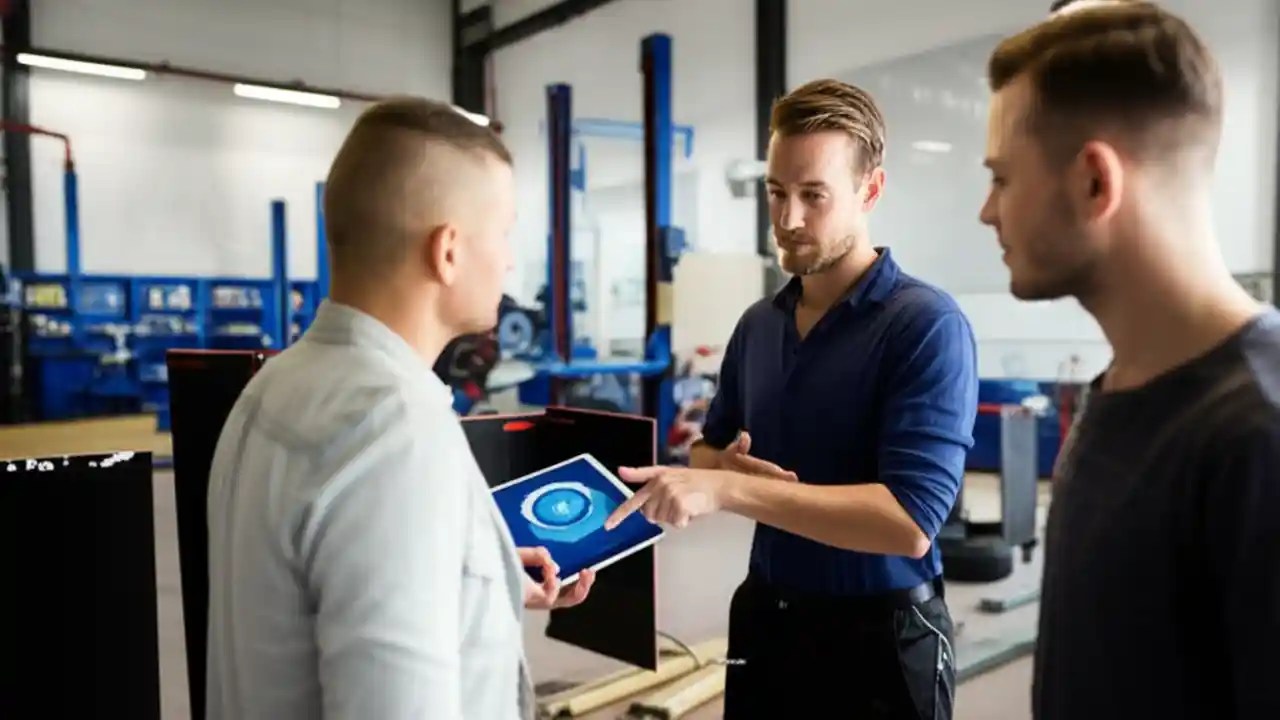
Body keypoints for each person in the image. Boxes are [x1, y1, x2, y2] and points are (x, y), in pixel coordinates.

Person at [204, 97, 595, 720]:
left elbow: (307, 604)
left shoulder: (275, 386)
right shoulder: (395, 435)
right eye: (503, 232)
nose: (511, 260)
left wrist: (484, 583)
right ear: (448, 251)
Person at [607, 79, 979, 719]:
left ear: (871, 190)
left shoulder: (924, 325)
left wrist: (731, 491)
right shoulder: (759, 324)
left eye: (814, 196)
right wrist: (720, 469)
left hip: (880, 638)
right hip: (767, 618)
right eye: (777, 193)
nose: (788, 219)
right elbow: (708, 449)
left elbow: (909, 524)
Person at [980, 3, 1280, 718]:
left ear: (1093, 183)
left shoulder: (1258, 439)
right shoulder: (1117, 394)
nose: (987, 212)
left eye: (1001, 178)